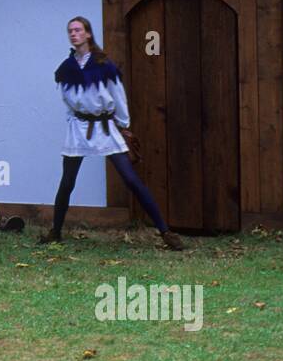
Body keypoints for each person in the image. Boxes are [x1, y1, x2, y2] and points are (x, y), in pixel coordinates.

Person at [41, 16, 184, 250]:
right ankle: (55, 232)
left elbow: (118, 97)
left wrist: (123, 125)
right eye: (70, 31)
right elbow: (67, 100)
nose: (73, 34)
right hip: (79, 129)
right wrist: (74, 119)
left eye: (78, 30)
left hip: (105, 128)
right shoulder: (66, 68)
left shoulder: (104, 65)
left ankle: (166, 232)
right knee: (67, 182)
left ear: (88, 34)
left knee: (131, 179)